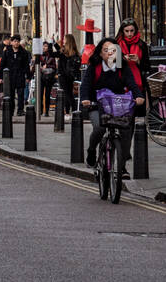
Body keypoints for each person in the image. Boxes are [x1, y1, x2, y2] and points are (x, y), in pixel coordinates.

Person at [81, 39, 144, 172]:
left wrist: (139, 96)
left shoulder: (123, 67)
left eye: (113, 50)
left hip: (117, 105)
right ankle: (92, 150)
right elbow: (85, 85)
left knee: (126, 130)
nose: (110, 53)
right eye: (106, 50)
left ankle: (121, 167)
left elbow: (132, 83)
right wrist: (85, 99)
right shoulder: (95, 67)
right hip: (97, 105)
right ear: (101, 53)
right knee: (99, 127)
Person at [115, 18, 148, 117]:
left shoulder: (142, 44)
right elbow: (111, 64)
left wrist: (138, 61)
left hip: (138, 82)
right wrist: (122, 59)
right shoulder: (116, 44)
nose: (129, 34)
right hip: (121, 82)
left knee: (138, 112)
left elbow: (147, 66)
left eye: (132, 31)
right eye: (126, 31)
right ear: (122, 31)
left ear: (135, 30)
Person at [0, 34, 30, 114]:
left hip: (20, 75)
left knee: (20, 94)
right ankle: (11, 110)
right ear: (11, 42)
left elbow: (26, 65)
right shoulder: (7, 52)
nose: (16, 43)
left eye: (18, 41)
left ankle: (20, 110)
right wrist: (1, 77)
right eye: (14, 41)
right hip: (10, 76)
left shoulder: (23, 52)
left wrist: (28, 76)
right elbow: (2, 65)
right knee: (11, 95)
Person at [58, 33, 80, 116]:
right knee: (68, 94)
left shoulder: (67, 53)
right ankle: (67, 112)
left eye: (64, 39)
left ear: (68, 41)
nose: (63, 41)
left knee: (68, 94)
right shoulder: (69, 52)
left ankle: (73, 111)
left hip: (64, 76)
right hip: (68, 76)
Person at [36, 41, 59, 116]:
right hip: (41, 77)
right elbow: (35, 66)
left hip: (49, 78)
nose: (44, 47)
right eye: (43, 46)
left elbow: (54, 67)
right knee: (40, 94)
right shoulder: (39, 55)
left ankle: (46, 111)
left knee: (47, 94)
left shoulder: (52, 56)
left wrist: (47, 66)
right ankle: (40, 110)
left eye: (45, 46)